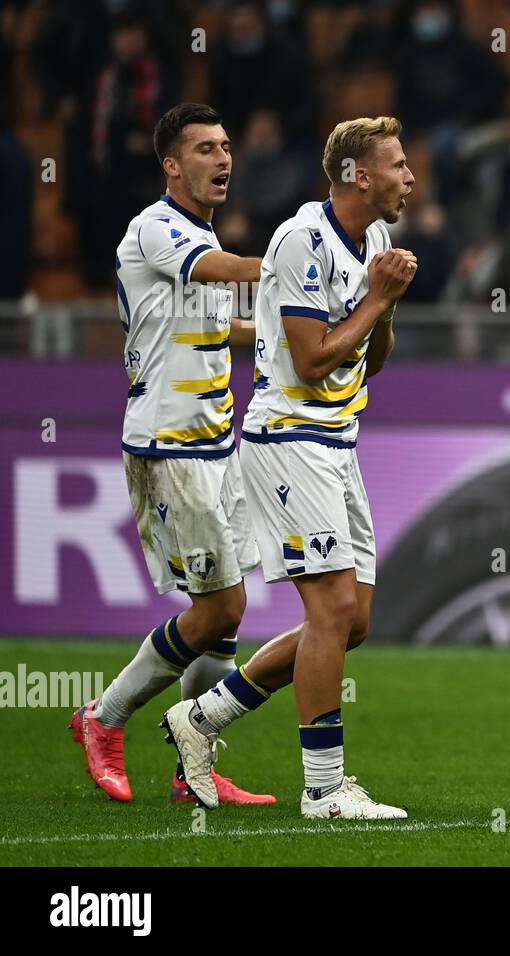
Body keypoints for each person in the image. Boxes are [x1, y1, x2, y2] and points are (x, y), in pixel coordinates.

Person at [161, 117, 418, 819]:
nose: (410, 178)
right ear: (359, 175)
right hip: (289, 440)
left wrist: (383, 306)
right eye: (397, 165)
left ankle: (204, 717)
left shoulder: (376, 240)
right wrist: (378, 298)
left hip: (338, 443)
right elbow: (309, 360)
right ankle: (326, 788)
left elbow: (373, 359)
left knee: (352, 621)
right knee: (330, 610)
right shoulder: (301, 239)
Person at [71, 103, 274, 807]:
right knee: (221, 608)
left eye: (226, 147)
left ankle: (195, 767)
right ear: (172, 164)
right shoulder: (158, 228)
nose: (222, 160)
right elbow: (232, 271)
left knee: (227, 614)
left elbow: (223, 331)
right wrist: (303, 268)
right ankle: (104, 716)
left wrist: (306, 330)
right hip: (168, 448)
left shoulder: (202, 239)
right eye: (205, 149)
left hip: (219, 446)